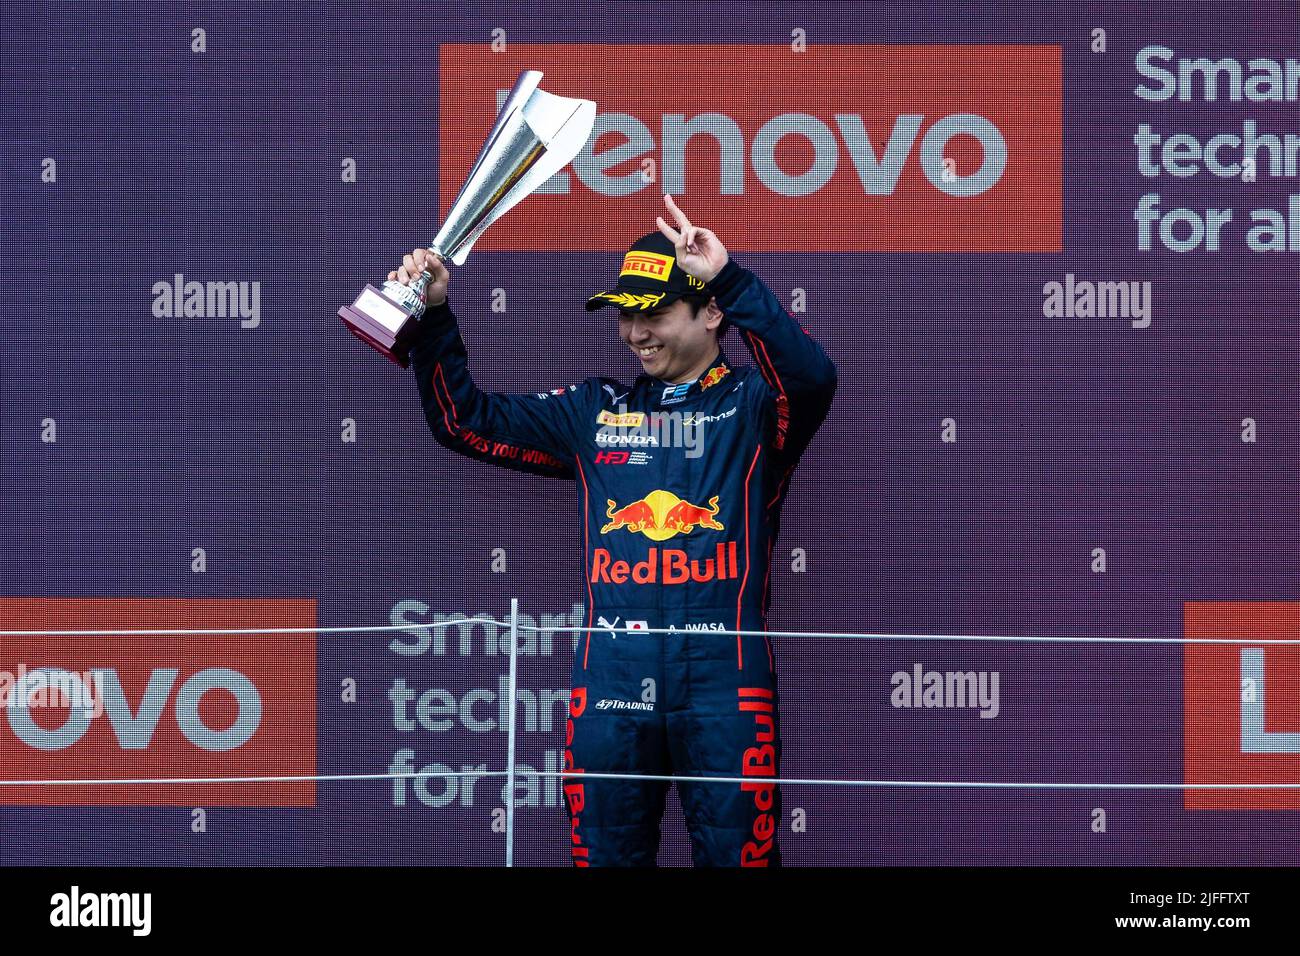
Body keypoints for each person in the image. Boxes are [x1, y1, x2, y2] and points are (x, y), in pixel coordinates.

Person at [395, 194, 836, 866]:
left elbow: (813, 378)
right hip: (609, 681)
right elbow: (465, 421)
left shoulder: (752, 406)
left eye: (653, 312)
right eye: (625, 314)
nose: (635, 332)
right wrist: (432, 319)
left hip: (725, 685)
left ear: (711, 313)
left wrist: (731, 277)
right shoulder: (593, 411)